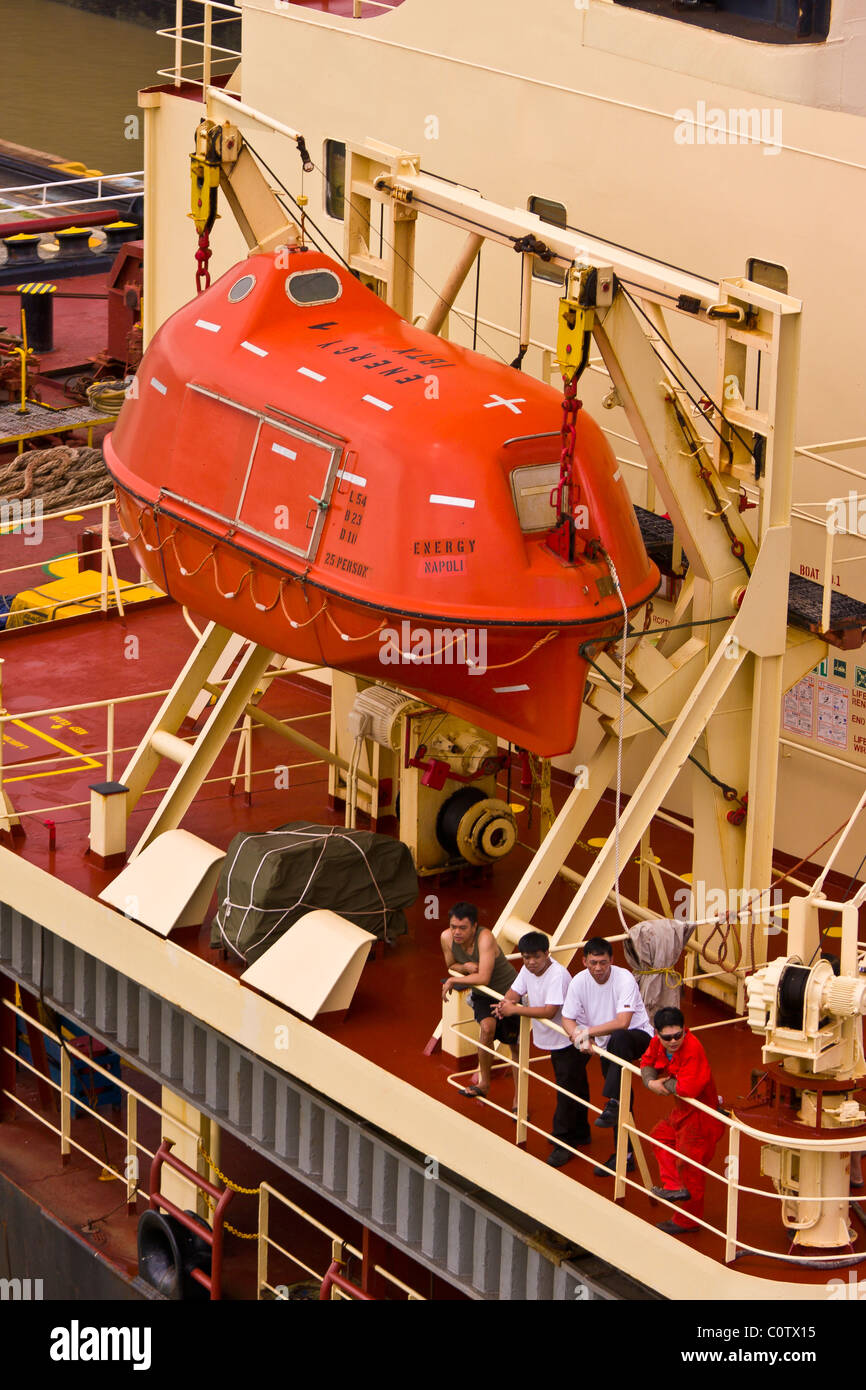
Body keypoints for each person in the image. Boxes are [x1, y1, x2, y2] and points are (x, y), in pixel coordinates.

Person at [493, 931, 591, 1167]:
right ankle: (582, 1132)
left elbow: (550, 1011)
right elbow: (515, 991)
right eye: (526, 957)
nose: (531, 962)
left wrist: (514, 1010)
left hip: (570, 1038)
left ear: (547, 954)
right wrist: (506, 1003)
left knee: (566, 1090)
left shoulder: (557, 975)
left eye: (536, 957)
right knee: (576, 1084)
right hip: (557, 1039)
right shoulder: (528, 969)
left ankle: (563, 1141)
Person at [560, 936, 653, 1174]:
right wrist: (577, 1037)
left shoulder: (624, 978)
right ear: (584, 962)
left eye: (603, 962)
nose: (598, 968)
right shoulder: (579, 982)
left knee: (620, 1041)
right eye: (593, 963)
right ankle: (626, 1155)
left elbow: (623, 1023)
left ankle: (613, 1102)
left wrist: (587, 1032)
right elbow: (567, 1019)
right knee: (621, 1097)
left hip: (637, 1038)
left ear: (611, 960)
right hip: (606, 1045)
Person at [640, 1006, 725, 1235]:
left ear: (685, 1031)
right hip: (682, 1112)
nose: (673, 1041)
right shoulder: (659, 1044)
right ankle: (673, 1187)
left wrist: (662, 1085)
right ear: (657, 1033)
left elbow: (688, 1087)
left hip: (701, 1117)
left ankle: (687, 1220)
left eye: (678, 1035)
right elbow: (646, 1063)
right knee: (660, 1136)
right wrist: (651, 1082)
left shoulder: (692, 1048)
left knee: (690, 1167)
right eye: (667, 1037)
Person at [440, 902, 518, 1101]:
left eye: (463, 928)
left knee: (515, 1045)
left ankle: (519, 1098)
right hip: (483, 994)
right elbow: (451, 964)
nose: (456, 932)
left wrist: (453, 979)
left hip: (507, 993)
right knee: (487, 1029)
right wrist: (465, 966)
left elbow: (483, 977)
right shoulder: (446, 938)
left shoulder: (485, 939)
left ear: (474, 927)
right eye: (453, 927)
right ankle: (484, 1083)